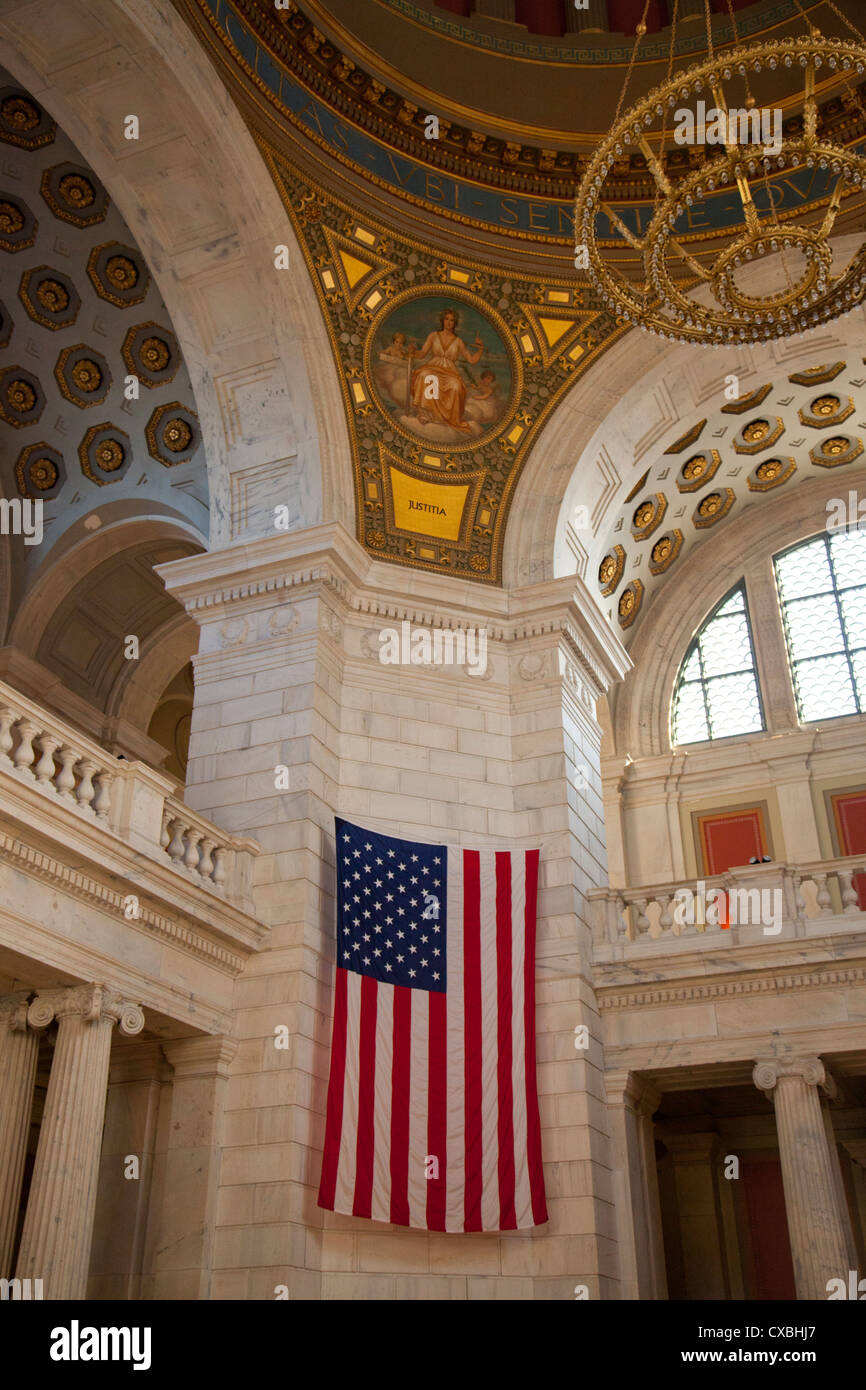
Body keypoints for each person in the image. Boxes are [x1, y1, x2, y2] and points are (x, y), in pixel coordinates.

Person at [407, 308, 484, 433]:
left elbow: (471, 360)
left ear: (455, 323)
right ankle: (426, 414)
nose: (448, 322)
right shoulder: (433, 336)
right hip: (433, 367)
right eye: (446, 319)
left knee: (456, 386)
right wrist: (413, 352)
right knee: (426, 375)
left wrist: (480, 349)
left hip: (450, 372)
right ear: (442, 320)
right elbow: (422, 354)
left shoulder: (458, 341)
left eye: (452, 320)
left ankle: (444, 418)